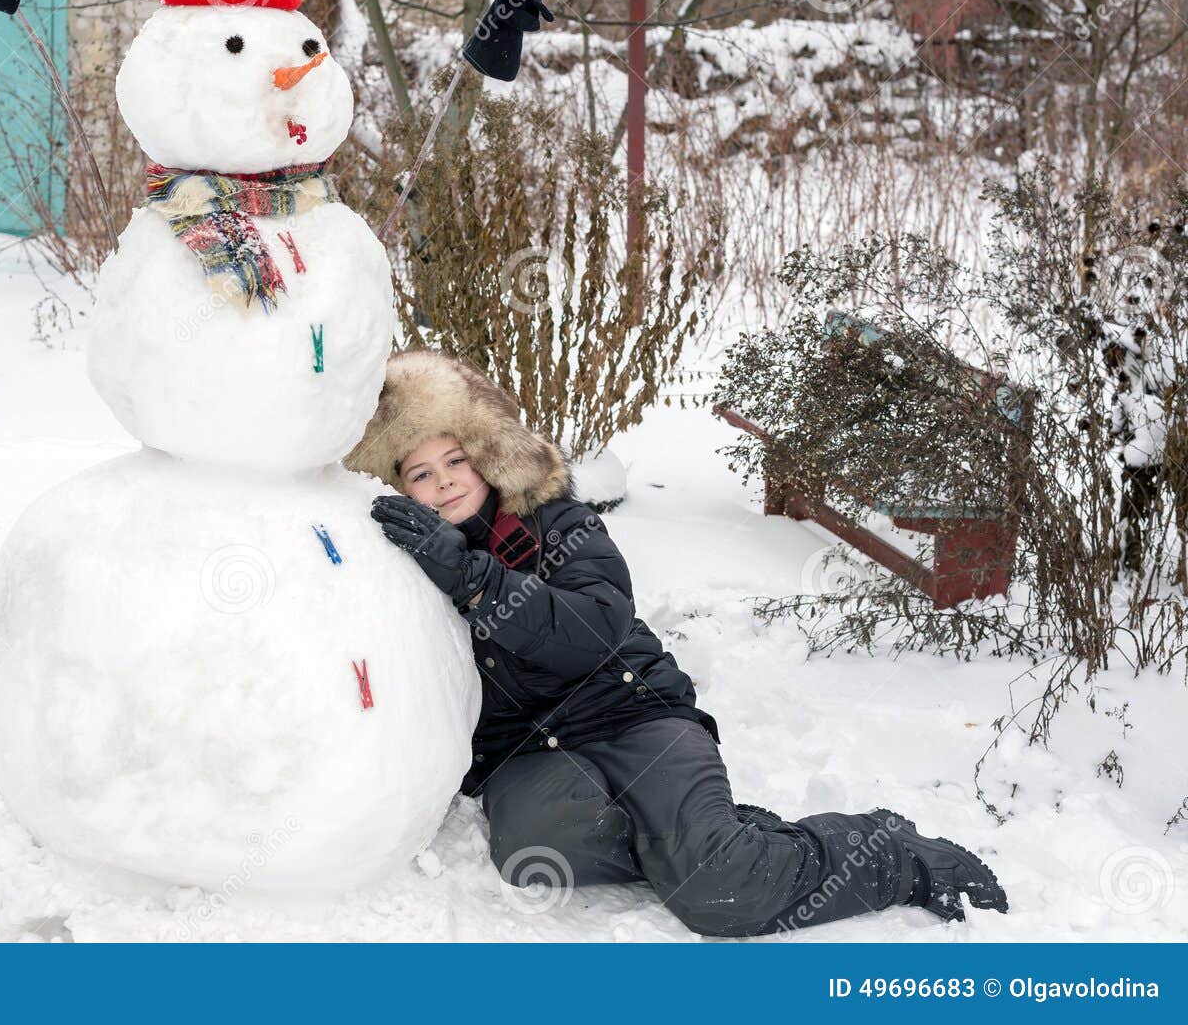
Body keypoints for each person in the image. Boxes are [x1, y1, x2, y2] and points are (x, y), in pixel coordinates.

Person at [344, 348, 1009, 937]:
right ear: (397, 488)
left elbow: (593, 629)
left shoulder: (555, 521)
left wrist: (471, 576)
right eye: (421, 473)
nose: (446, 482)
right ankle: (703, 842)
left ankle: (889, 855)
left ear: (487, 455)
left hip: (633, 713)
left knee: (721, 895)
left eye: (456, 459)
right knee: (531, 852)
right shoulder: (398, 565)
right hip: (530, 751)